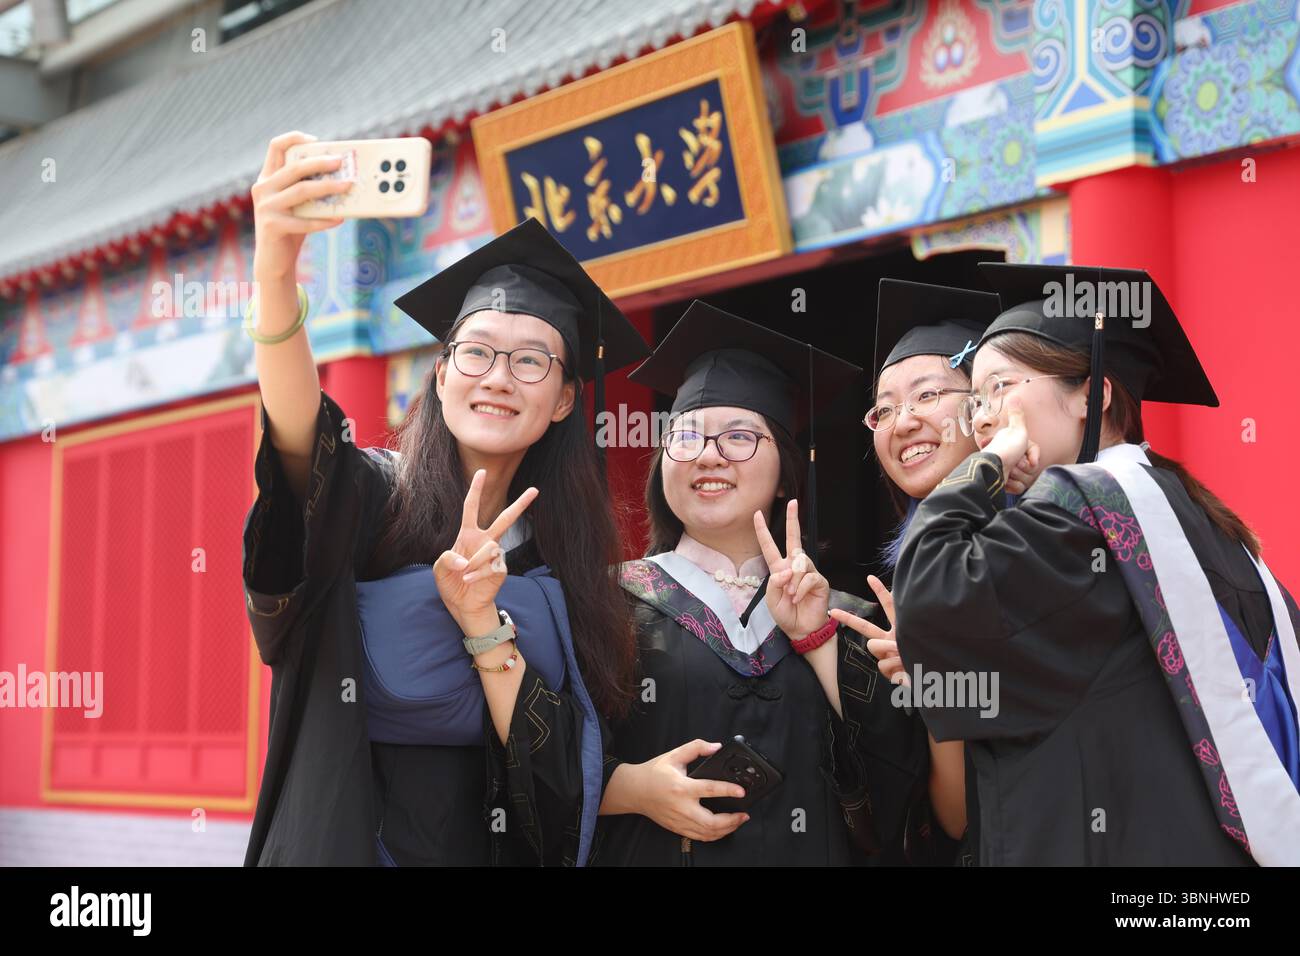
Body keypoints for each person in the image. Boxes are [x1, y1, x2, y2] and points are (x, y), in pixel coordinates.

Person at [240, 131, 648, 865]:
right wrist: (275, 270)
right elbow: (298, 439)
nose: (498, 377)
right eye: (477, 351)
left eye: (530, 361)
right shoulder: (371, 500)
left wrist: (484, 623)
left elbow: (562, 775)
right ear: (440, 371)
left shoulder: (573, 565)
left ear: (562, 402)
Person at [893, 262, 1300, 865]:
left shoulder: (1077, 516)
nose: (980, 418)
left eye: (1001, 388)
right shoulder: (1212, 528)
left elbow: (931, 595)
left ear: (1093, 394)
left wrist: (983, 467)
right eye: (975, 399)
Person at [593, 300, 928, 865]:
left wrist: (818, 641)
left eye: (740, 438)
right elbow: (538, 766)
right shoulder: (603, 600)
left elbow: (904, 786)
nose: (709, 457)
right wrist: (627, 787)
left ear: (783, 475)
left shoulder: (851, 619)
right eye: (687, 437)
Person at [833, 278, 1001, 864]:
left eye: (928, 395)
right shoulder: (918, 576)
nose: (901, 422)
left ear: (986, 405)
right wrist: (934, 681)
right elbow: (957, 819)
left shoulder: (1043, 537)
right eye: (883, 409)